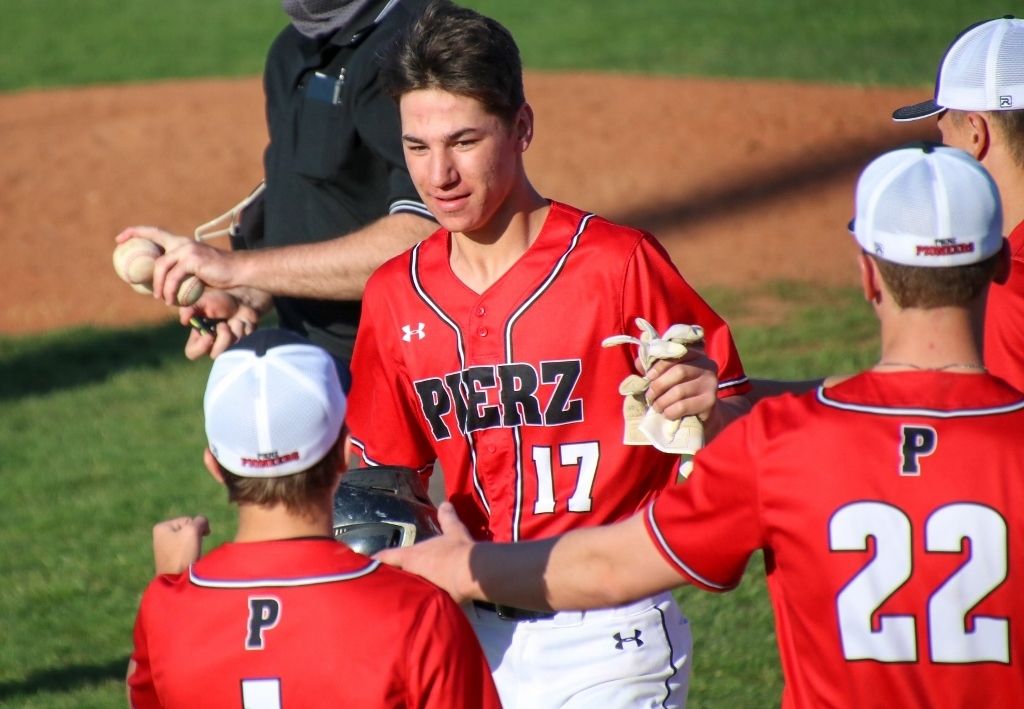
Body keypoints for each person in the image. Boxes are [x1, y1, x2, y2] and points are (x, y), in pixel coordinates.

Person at [379, 144, 1024, 707]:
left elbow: (613, 568)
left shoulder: (784, 445)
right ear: (1000, 267)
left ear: (865, 272)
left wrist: (467, 568)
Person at [345, 2, 752, 705]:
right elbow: (380, 476)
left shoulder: (617, 265)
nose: (438, 173)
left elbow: (741, 424)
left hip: (609, 635)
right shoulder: (395, 296)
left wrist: (710, 406)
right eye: (417, 146)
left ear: (522, 127)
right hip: (463, 633)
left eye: (464, 141)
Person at [126, 328, 500, 708]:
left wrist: (170, 583)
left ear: (215, 466)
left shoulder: (166, 611)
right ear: (344, 454)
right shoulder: (418, 611)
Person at [118, 0, 437, 368]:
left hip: (406, 366)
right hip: (315, 358)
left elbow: (424, 238)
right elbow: (322, 204)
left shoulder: (418, 51)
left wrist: (238, 268)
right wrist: (248, 293)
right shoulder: (292, 49)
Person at [893, 15, 1024, 392]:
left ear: (975, 132)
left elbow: (994, 433)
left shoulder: (1008, 289)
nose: (940, 147)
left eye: (943, 129)